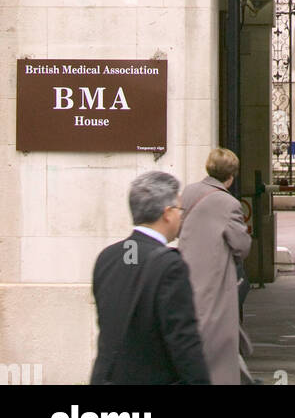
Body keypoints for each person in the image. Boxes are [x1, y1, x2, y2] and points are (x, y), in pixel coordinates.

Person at [90, 170, 210, 385]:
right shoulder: (170, 266)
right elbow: (183, 340)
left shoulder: (107, 258)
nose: (181, 216)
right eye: (180, 209)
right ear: (167, 213)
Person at [178, 147, 252, 385]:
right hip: (215, 279)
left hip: (185, 275)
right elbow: (242, 246)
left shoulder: (188, 193)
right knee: (219, 340)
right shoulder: (229, 204)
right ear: (231, 177)